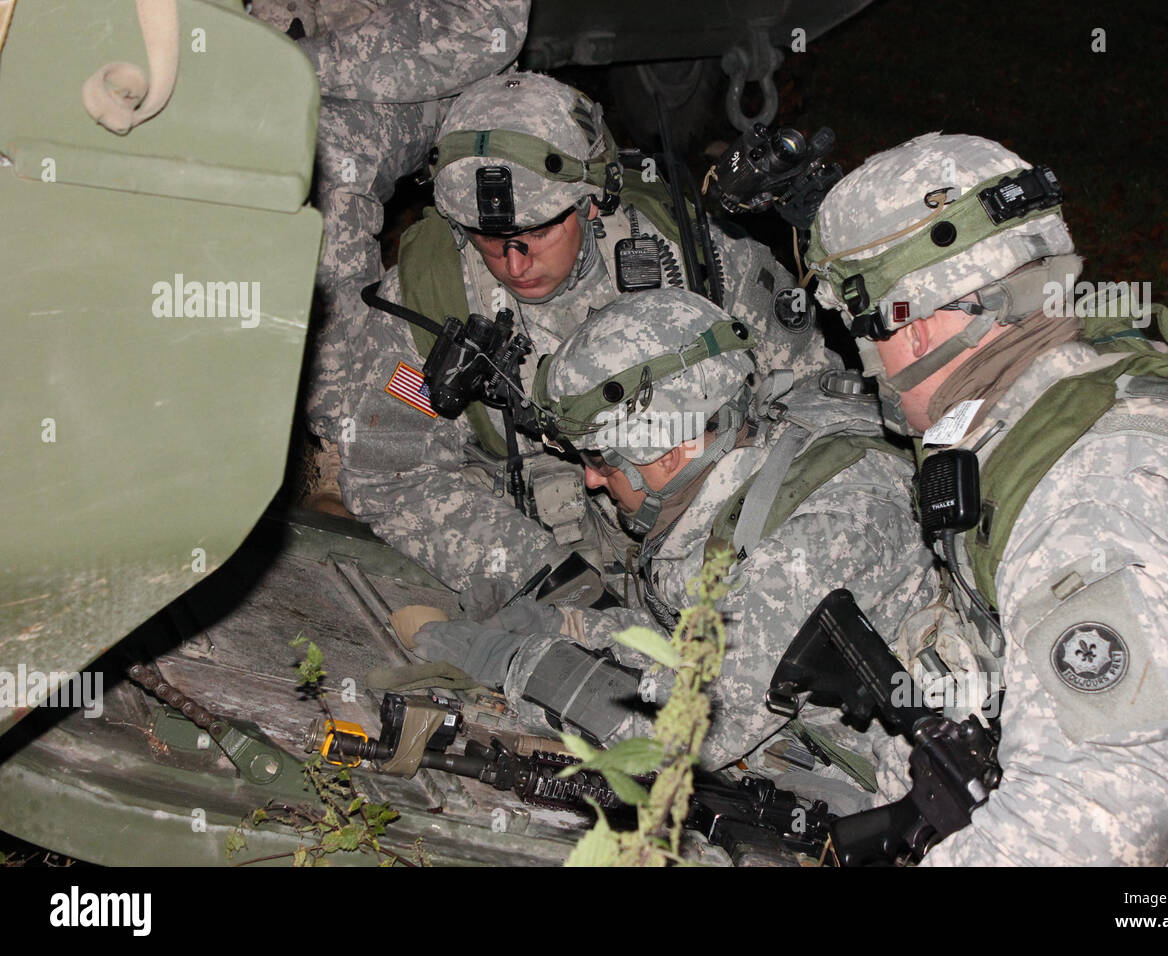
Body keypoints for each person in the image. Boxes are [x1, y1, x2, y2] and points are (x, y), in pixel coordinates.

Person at [806, 131, 1168, 865]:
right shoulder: (1085, 382)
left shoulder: (1088, 495)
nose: (861, 355)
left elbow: (1087, 824)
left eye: (861, 328)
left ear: (911, 323)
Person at [401, 288, 934, 778]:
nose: (589, 479)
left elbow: (676, 738)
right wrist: (572, 628)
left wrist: (513, 664)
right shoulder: (751, 448)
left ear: (669, 450)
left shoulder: (803, 548)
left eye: (599, 460)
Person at [337, 72, 838, 593]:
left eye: (540, 230)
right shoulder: (425, 301)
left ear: (591, 201)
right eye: (489, 237)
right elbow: (388, 476)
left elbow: (811, 396)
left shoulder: (694, 260)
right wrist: (544, 578)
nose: (514, 261)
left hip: (716, 528)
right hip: (532, 538)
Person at [262, 0, 533, 451]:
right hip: (313, 67)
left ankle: (352, 431)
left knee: (326, 160)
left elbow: (486, 26)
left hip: (442, 75)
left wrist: (296, 63)